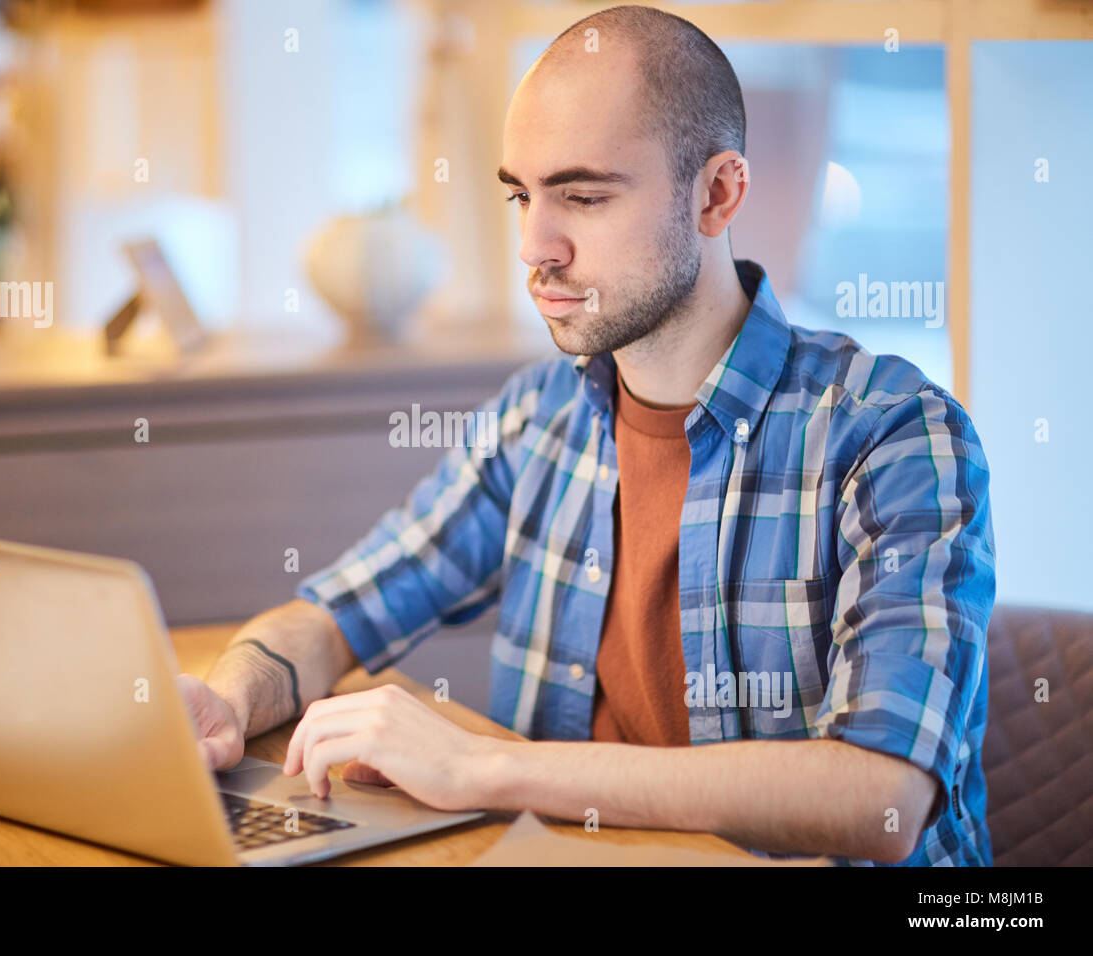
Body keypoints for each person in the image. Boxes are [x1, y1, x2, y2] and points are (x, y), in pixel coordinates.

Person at [177, 4, 994, 866]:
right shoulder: (538, 419)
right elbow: (334, 615)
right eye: (521, 195)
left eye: (583, 196)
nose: (535, 244)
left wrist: (492, 768)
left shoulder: (892, 434)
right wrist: (232, 699)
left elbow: (880, 801)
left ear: (717, 193)